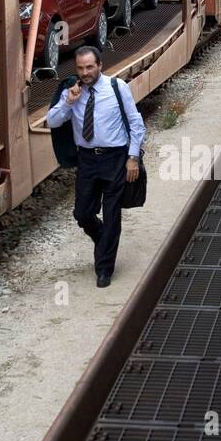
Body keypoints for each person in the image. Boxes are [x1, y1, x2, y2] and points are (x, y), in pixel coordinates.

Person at [45, 46, 145, 288]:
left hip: (115, 159)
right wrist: (69, 103)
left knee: (112, 215)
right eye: (80, 68)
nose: (85, 72)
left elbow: (136, 124)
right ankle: (103, 240)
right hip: (87, 160)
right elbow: (52, 121)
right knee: (82, 213)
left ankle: (104, 269)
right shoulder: (72, 90)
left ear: (100, 65)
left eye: (89, 67)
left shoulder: (117, 87)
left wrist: (133, 158)